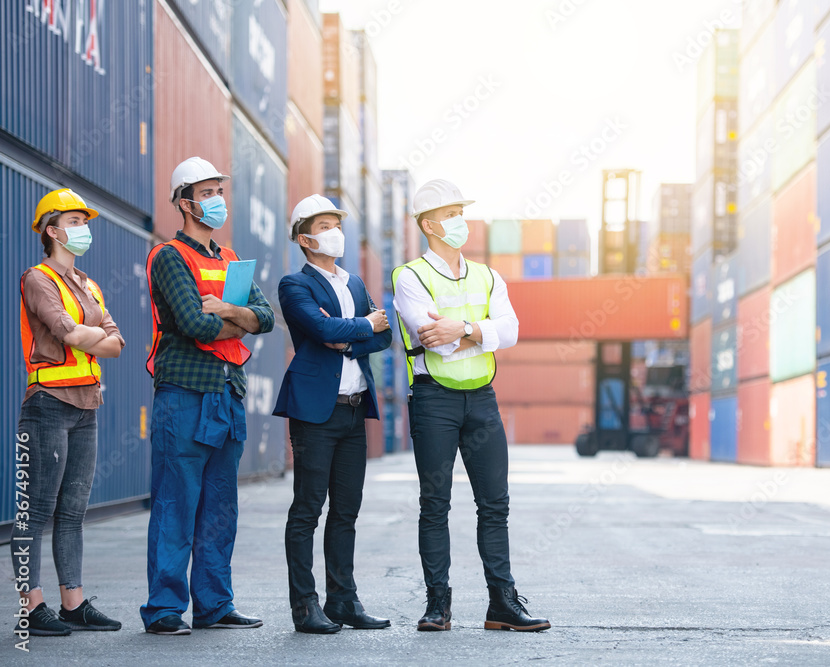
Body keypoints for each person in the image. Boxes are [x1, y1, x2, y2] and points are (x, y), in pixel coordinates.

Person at [391, 179, 550, 632]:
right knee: (434, 505)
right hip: (433, 399)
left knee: (495, 505)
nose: (461, 220)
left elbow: (511, 331)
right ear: (428, 225)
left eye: (461, 211)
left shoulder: (489, 275)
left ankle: (502, 604)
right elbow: (432, 340)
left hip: (482, 398)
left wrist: (463, 329)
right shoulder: (410, 276)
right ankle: (437, 605)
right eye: (451, 213)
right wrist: (482, 332)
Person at [140, 157, 274, 635]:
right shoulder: (168, 256)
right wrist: (240, 319)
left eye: (220, 190)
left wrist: (228, 311)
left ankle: (215, 604)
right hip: (184, 393)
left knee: (220, 506)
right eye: (207, 192)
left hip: (227, 393)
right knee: (176, 502)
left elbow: (267, 317)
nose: (217, 199)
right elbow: (194, 324)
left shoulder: (231, 258)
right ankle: (164, 609)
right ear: (185, 202)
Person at [273, 195, 393, 634]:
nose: (334, 233)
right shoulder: (294, 285)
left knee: (346, 511)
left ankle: (343, 600)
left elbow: (385, 335)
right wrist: (361, 327)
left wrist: (347, 337)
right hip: (314, 413)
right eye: (324, 226)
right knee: (308, 509)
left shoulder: (355, 283)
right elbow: (322, 328)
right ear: (305, 239)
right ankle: (305, 606)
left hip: (354, 409)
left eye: (336, 224)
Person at [13, 189, 125, 636]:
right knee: (36, 509)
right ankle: (32, 606)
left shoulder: (90, 285)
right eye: (75, 221)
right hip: (48, 405)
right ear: (52, 231)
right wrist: (91, 335)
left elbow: (117, 343)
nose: (84, 229)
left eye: (85, 221)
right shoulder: (37, 279)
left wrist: (87, 334)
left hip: (86, 406)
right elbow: (68, 334)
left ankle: (73, 604)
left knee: (74, 511)